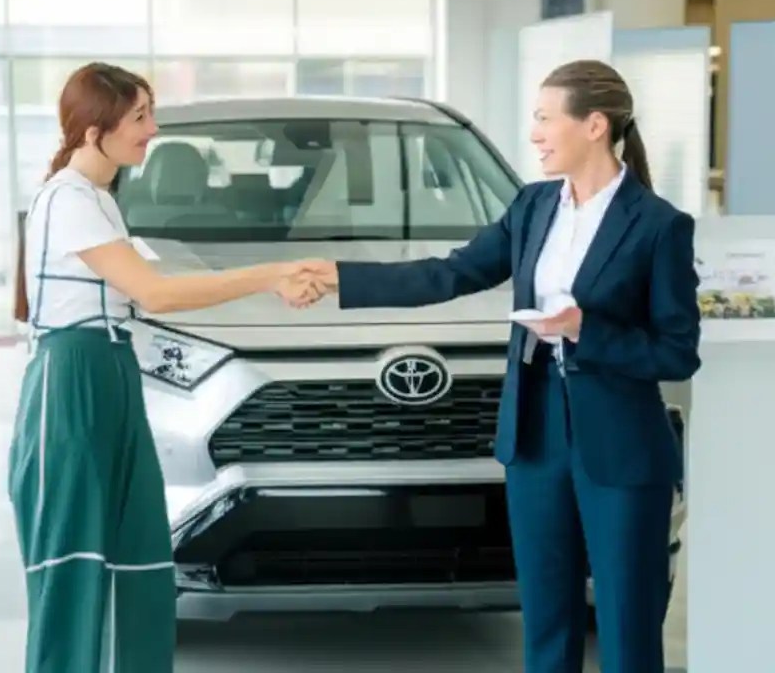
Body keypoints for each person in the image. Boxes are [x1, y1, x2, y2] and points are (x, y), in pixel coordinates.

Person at [291, 60, 701, 673]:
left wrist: (586, 330)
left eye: (543, 118)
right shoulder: (533, 206)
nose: (534, 133)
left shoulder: (659, 225)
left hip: (621, 447)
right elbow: (450, 273)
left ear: (594, 125)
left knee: (627, 626)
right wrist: (340, 279)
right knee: (545, 618)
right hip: (535, 436)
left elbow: (676, 351)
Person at [9, 62, 313, 672]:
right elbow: (158, 295)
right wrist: (272, 274)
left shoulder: (98, 200)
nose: (153, 130)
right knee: (74, 571)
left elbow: (159, 289)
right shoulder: (69, 200)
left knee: (136, 560)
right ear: (96, 131)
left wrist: (273, 278)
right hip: (74, 388)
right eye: (140, 117)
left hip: (111, 378)